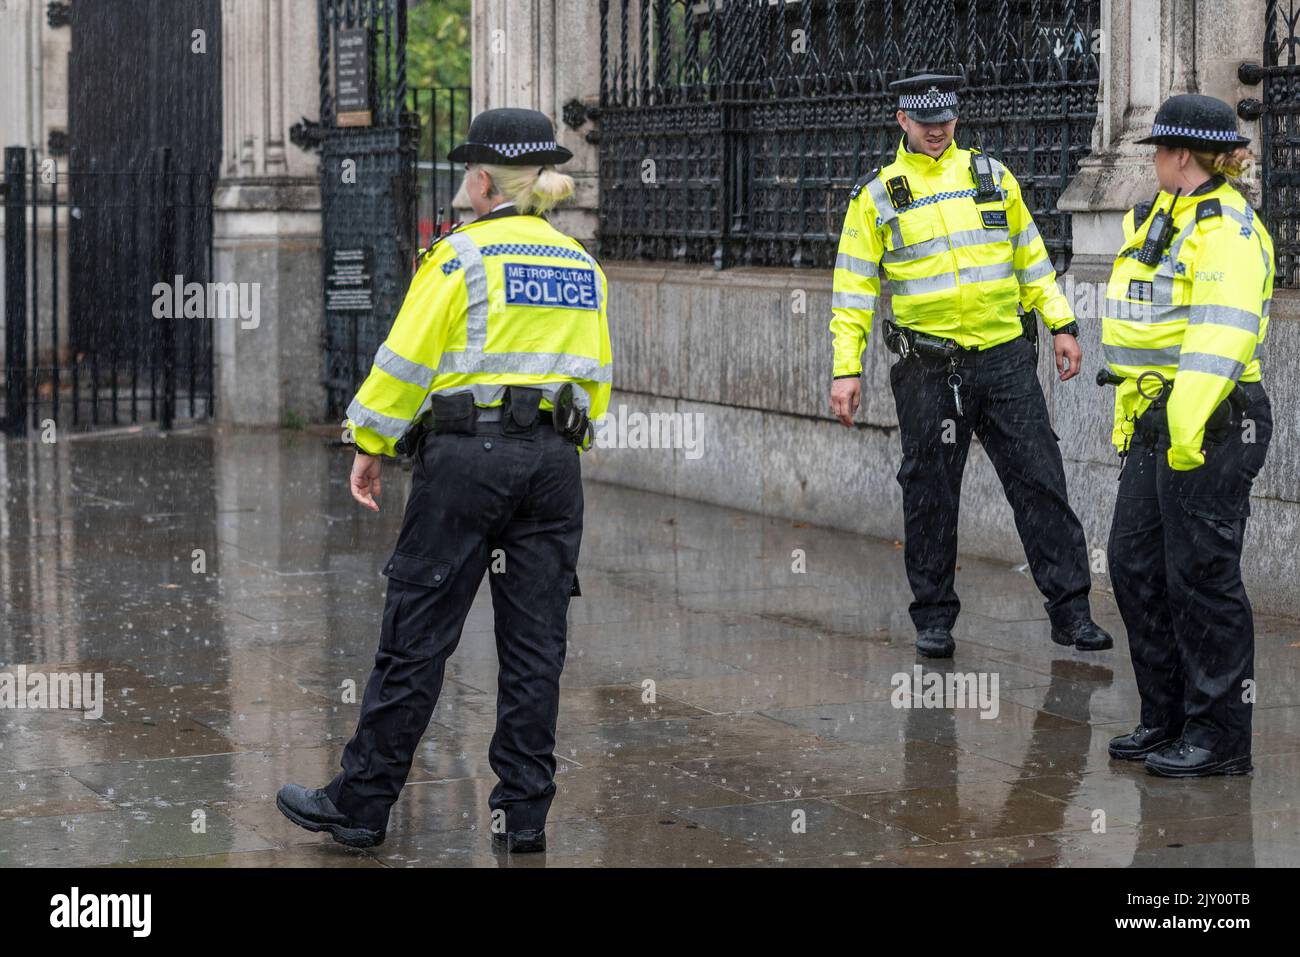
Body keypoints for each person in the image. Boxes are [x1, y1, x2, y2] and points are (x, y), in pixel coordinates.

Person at [276, 108, 612, 850]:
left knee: (417, 634)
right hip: (555, 468)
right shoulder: (580, 265)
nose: (464, 181)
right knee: (535, 647)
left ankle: (361, 804)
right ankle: (522, 816)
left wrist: (369, 441)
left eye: (468, 169)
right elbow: (598, 384)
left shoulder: (460, 258)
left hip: (467, 462)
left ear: (487, 180)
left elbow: (406, 357)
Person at [829, 73, 1112, 658]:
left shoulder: (990, 175)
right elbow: (852, 291)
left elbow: (1031, 258)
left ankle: (1072, 612)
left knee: (1040, 479)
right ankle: (934, 618)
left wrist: (1061, 323)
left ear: (957, 118)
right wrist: (845, 369)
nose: (937, 131)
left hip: (1005, 357)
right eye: (925, 122)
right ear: (902, 121)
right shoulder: (877, 195)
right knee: (930, 491)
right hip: (928, 367)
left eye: (946, 121)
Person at [1102, 94, 1273, 778]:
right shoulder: (1163, 217)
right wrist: (1139, 417)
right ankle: (1167, 716)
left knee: (1201, 576)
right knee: (1135, 564)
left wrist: (1184, 430)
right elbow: (1141, 325)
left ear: (1179, 155)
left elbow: (1217, 341)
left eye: (1157, 150)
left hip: (1211, 419)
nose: (1152, 161)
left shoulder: (1228, 230)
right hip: (1159, 419)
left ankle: (1219, 735)